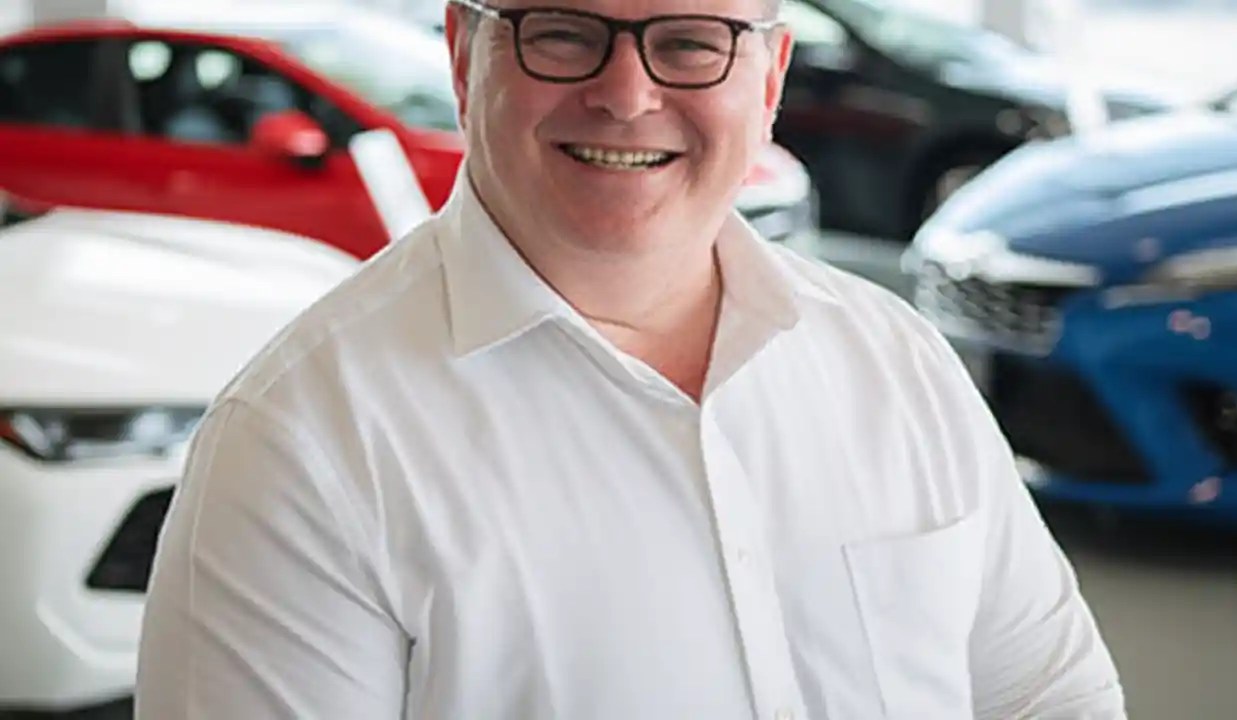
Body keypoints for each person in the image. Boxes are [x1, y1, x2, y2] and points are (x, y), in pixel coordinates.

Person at [135, 0, 1125, 717]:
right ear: (460, 51)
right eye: (561, 32)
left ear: (768, 79)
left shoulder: (894, 362)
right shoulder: (299, 446)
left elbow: (1044, 694)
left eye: (690, 41)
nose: (624, 93)